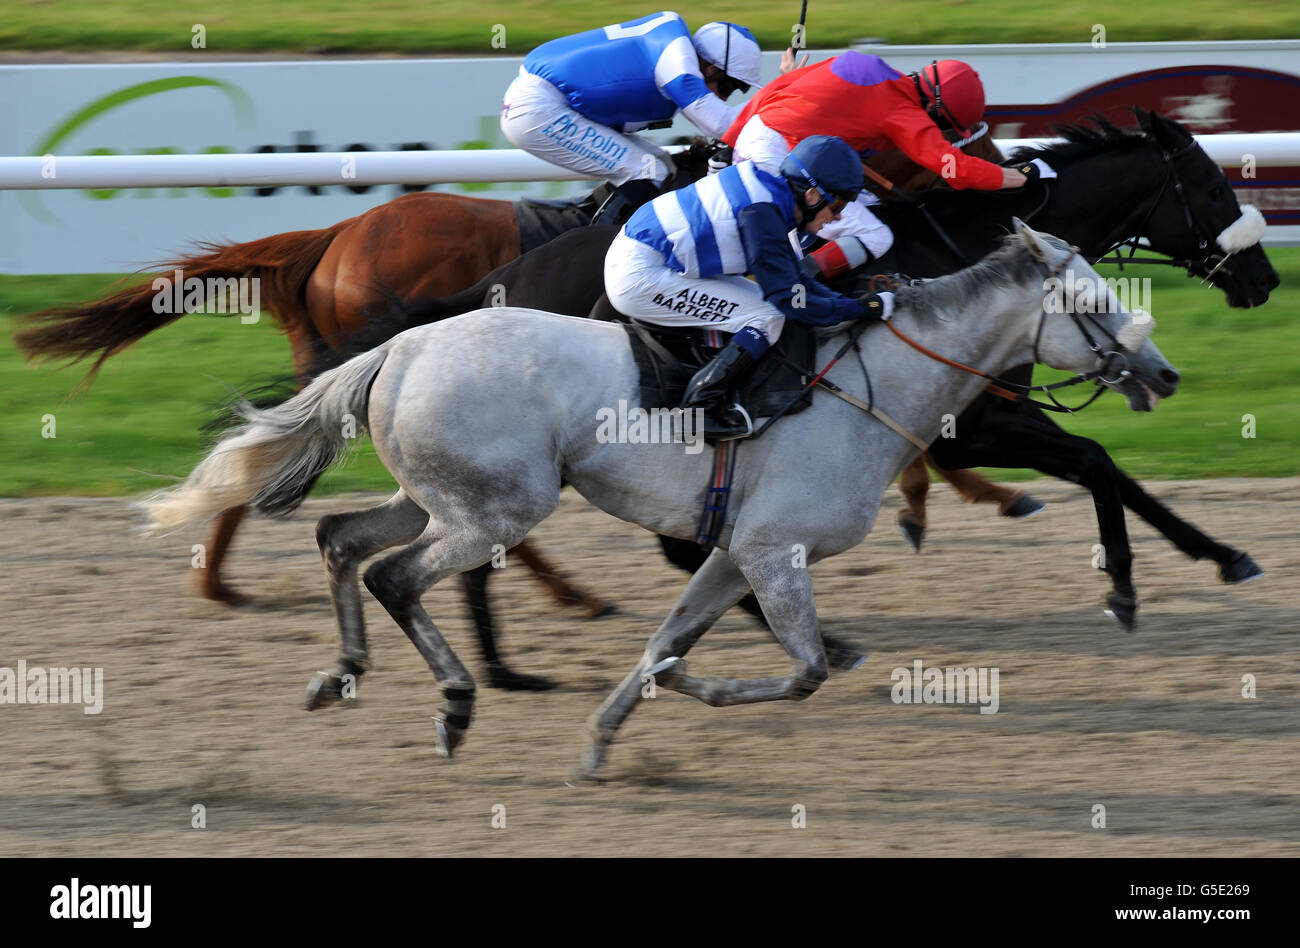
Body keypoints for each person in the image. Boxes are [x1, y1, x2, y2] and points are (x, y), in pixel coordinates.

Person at [605, 135, 887, 440]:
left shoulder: (770, 191)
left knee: (763, 309)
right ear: (811, 195)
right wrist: (862, 308)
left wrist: (854, 304)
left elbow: (797, 281)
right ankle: (700, 407)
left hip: (653, 256)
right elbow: (792, 302)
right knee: (767, 317)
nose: (840, 215)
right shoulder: (762, 214)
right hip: (640, 275)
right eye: (839, 203)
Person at [722, 52, 1027, 280]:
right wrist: (1011, 177)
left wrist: (790, 74)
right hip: (775, 157)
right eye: (941, 123)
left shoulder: (867, 65)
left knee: (870, 203)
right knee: (877, 236)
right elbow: (952, 169)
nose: (934, 127)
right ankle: (796, 286)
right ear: (934, 108)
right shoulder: (901, 109)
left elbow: (799, 86)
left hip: (757, 134)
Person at [502, 12, 764, 226]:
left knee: (661, 165)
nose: (725, 98)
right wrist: (790, 95)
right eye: (729, 87)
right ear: (712, 68)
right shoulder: (677, 63)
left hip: (541, 102)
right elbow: (724, 125)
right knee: (649, 171)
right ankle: (596, 260)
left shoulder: (676, 50)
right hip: (538, 108)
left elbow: (726, 118)